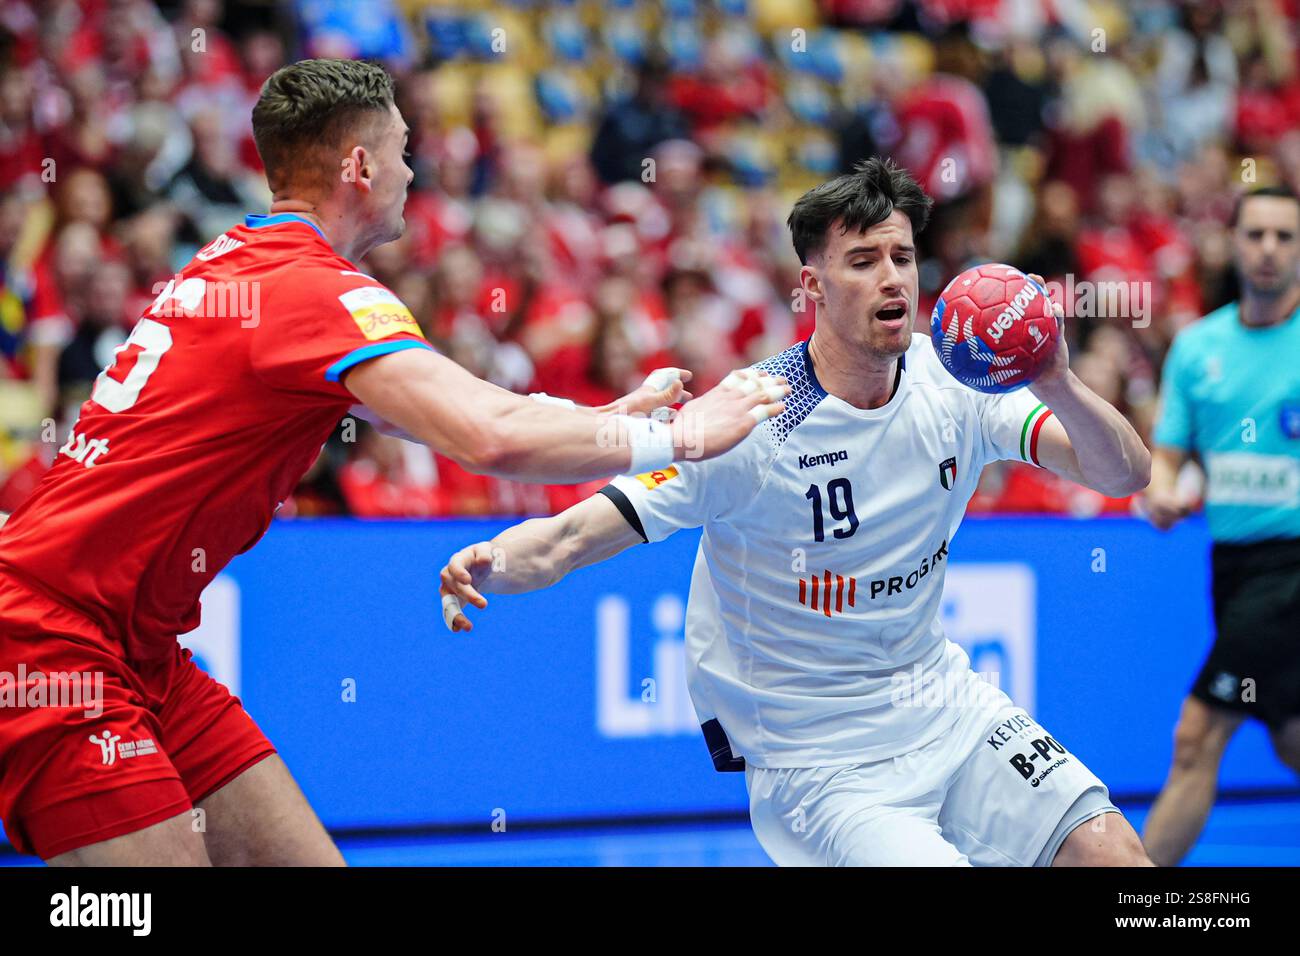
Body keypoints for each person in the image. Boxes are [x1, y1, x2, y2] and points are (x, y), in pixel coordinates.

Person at [0, 58, 787, 867]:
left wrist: (611, 417)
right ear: (361, 166)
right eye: (404, 151)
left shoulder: (243, 265)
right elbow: (490, 436)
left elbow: (453, 415)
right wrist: (686, 437)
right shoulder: (314, 293)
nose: (414, 172)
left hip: (142, 651)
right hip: (52, 644)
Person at [439, 158, 1154, 867]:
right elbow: (568, 539)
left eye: (902, 257)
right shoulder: (749, 421)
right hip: (818, 760)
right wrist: (490, 563)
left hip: (947, 706)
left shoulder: (954, 378)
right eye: (863, 261)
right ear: (811, 285)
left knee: (1113, 854)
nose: (891, 278)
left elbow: (1124, 472)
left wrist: (1055, 378)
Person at [1141, 184, 1300, 867]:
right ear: (1233, 243)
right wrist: (1161, 494)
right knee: (1292, 738)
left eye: (1285, 237)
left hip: (1292, 566)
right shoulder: (1197, 347)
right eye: (1256, 234)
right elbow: (1165, 458)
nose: (1268, 250)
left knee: (1197, 735)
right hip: (1231, 569)